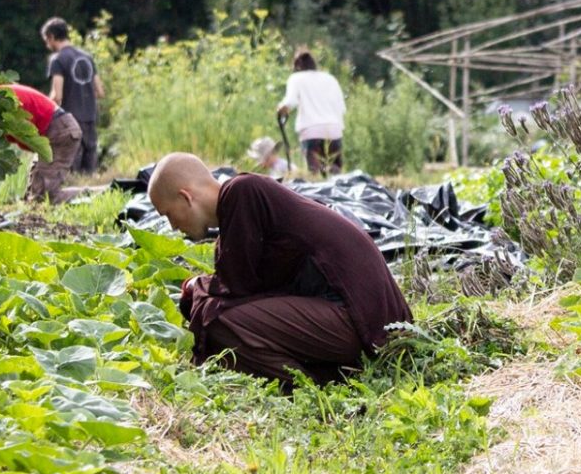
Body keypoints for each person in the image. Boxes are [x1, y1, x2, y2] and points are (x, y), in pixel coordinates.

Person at [147, 152, 411, 389]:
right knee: (215, 317)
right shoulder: (235, 214)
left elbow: (235, 289)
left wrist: (194, 288)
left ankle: (311, 386)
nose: (172, 226)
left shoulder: (242, 192)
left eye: (168, 214)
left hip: (359, 321)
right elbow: (247, 288)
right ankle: (329, 375)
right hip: (358, 321)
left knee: (218, 322)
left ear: (185, 196)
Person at [0, 82, 84, 204]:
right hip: (54, 127)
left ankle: (97, 194)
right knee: (34, 196)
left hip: (59, 130)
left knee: (44, 197)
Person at [41, 18, 103, 173]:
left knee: (71, 173)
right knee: (89, 172)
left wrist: (41, 111)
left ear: (51, 36)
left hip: (71, 122)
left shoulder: (58, 60)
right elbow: (100, 91)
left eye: (46, 40)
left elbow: (57, 96)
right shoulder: (87, 57)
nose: (47, 44)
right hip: (90, 118)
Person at [276, 48, 346, 174]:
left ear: (297, 66)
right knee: (335, 174)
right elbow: (341, 107)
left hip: (311, 131)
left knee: (315, 174)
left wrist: (281, 109)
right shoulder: (330, 78)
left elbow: (290, 102)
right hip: (334, 130)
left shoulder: (296, 78)